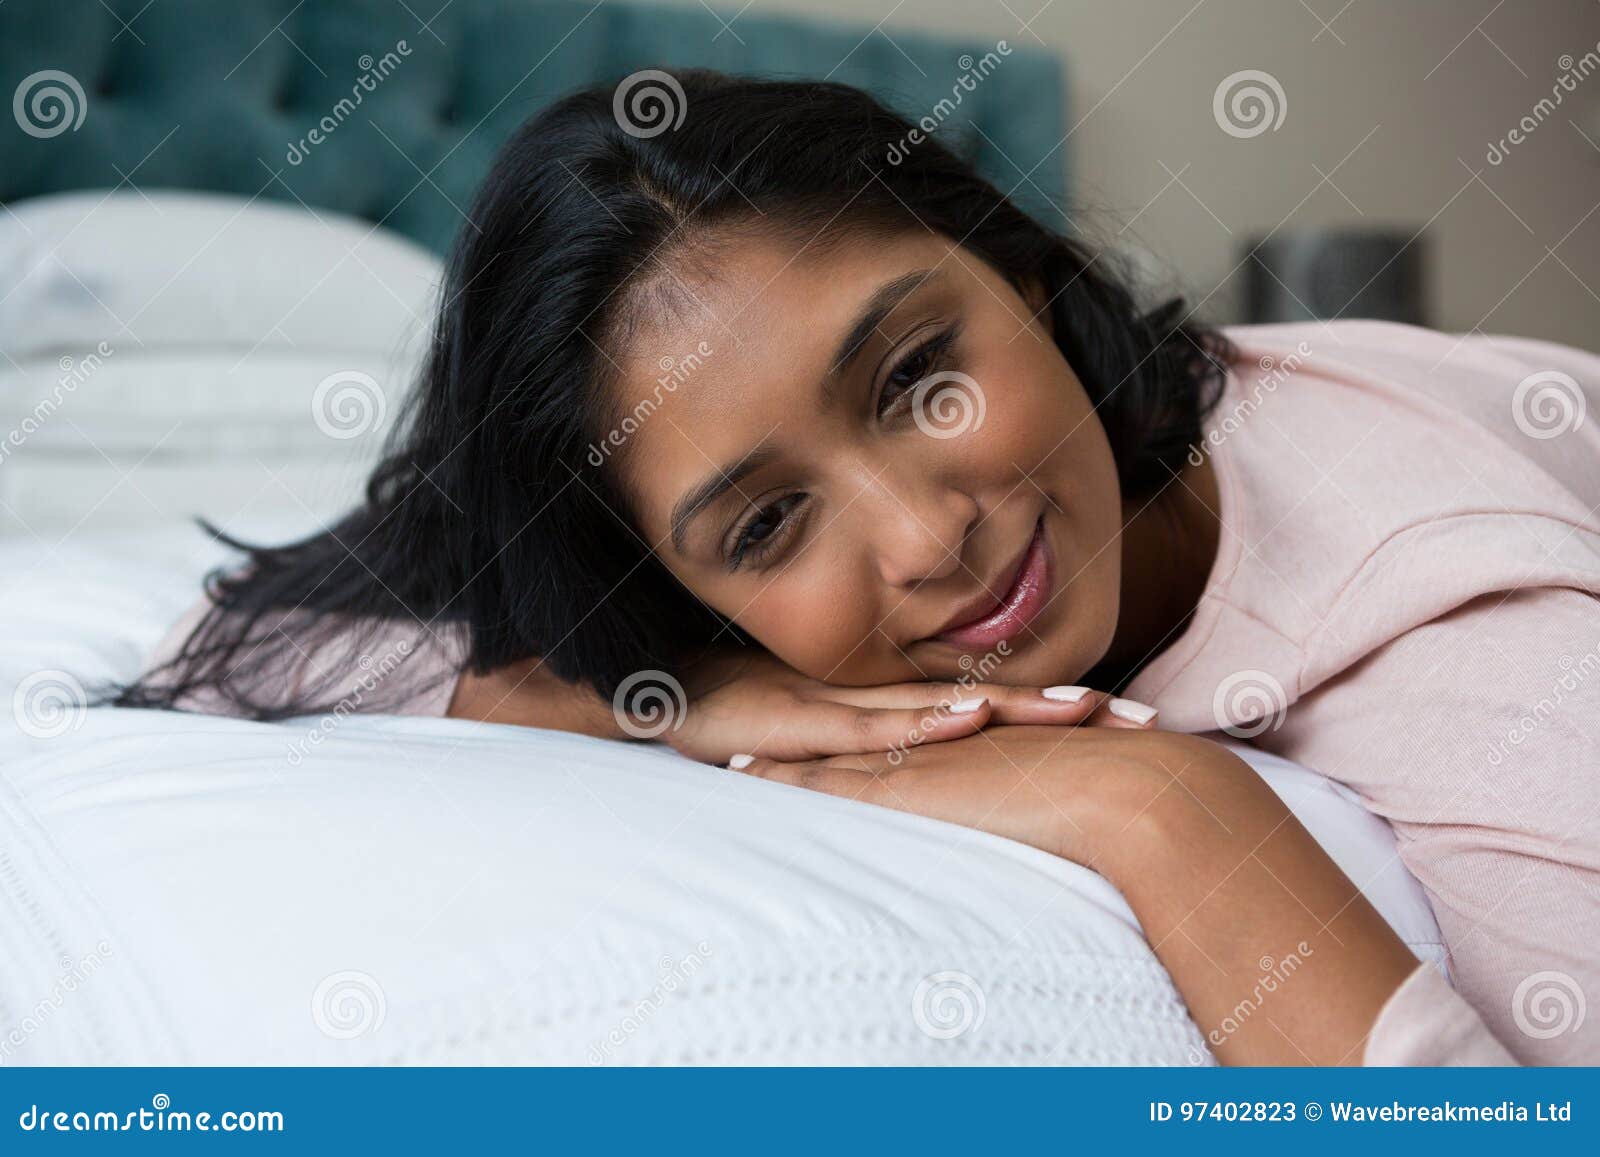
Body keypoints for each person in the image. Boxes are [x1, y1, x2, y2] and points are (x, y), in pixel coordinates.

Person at [119, 70, 1599, 1066]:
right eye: (763, 527)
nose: (923, 536)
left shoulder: (1478, 653)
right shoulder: (691, 624)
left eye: (913, 376)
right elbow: (252, 642)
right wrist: (676, 695)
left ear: (1017, 269)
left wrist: (1161, 808)